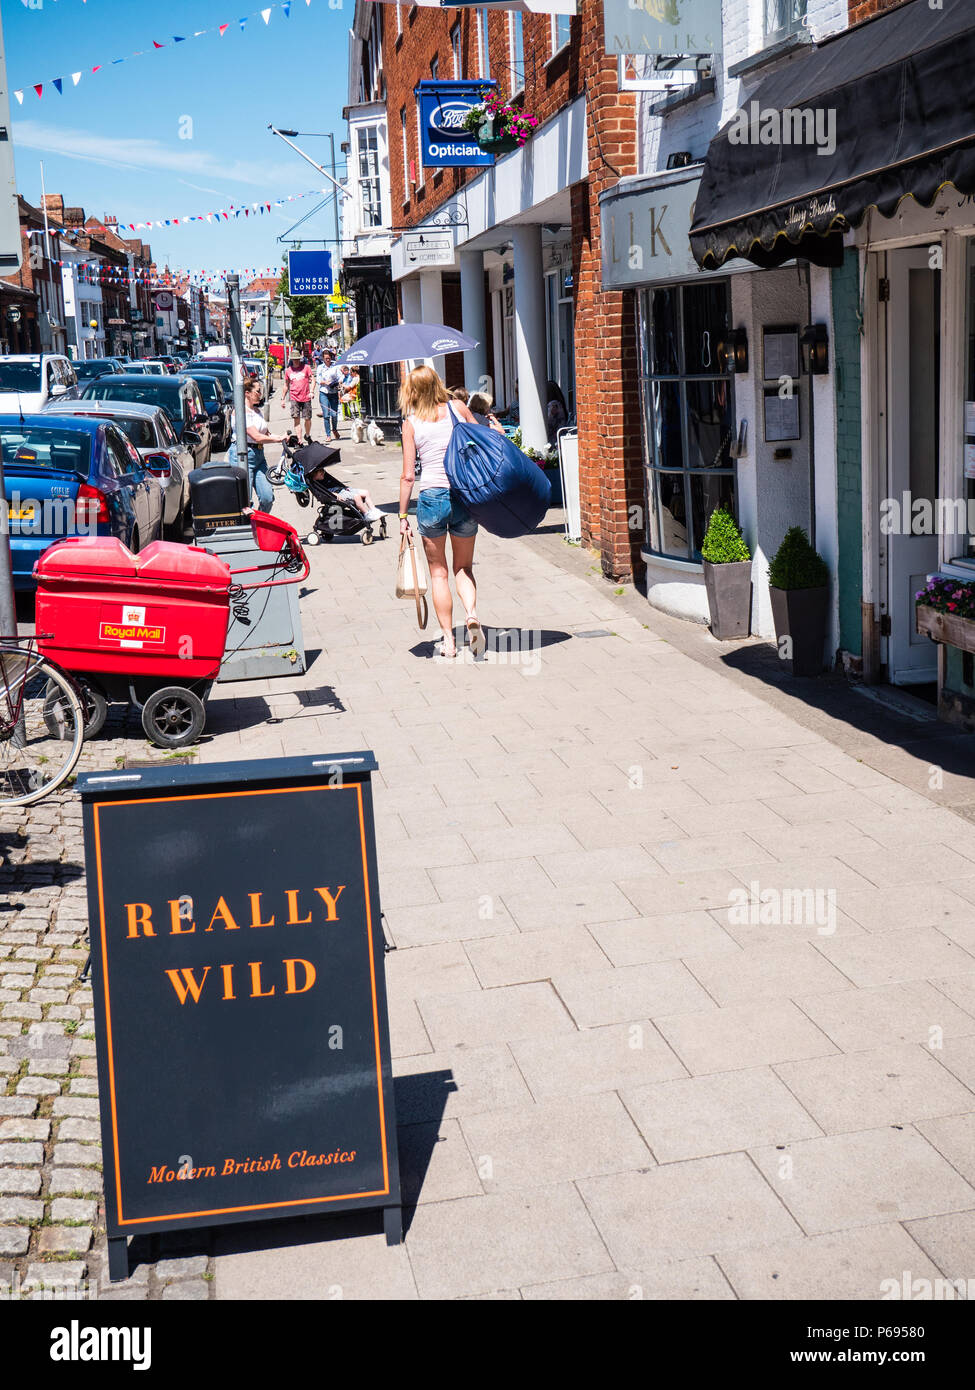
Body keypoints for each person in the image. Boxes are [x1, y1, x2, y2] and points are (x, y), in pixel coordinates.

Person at [399, 365, 484, 660]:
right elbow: (481, 439)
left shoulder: (410, 423)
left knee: (439, 573)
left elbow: (408, 475)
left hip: (432, 497)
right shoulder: (457, 408)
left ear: (411, 390)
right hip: (464, 494)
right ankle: (471, 614)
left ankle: (448, 640)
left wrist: (401, 516)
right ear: (437, 384)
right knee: (464, 568)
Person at [228, 376, 290, 512]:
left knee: (267, 497)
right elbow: (256, 436)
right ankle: (248, 529)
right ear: (247, 393)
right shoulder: (240, 412)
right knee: (245, 501)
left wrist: (282, 437)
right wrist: (278, 440)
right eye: (258, 391)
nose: (260, 394)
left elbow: (266, 434)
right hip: (243, 455)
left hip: (259, 456)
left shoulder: (257, 411)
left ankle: (259, 525)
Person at [284, 353, 314, 444]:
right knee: (296, 418)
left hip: (306, 397)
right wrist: (283, 398)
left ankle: (307, 435)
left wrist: (311, 391)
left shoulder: (306, 368)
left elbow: (312, 380)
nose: (296, 361)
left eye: (297, 359)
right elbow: (286, 385)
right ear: (291, 360)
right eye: (294, 359)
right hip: (294, 397)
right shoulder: (288, 371)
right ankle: (299, 440)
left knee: (307, 419)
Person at [316, 350, 342, 442]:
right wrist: (325, 382)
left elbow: (340, 377)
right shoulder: (320, 367)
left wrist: (337, 382)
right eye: (325, 358)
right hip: (324, 393)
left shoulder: (335, 366)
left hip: (333, 393)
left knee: (334, 414)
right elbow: (318, 379)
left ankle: (334, 429)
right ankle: (328, 434)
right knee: (326, 415)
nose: (327, 360)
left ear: (331, 357)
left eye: (329, 358)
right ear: (323, 358)